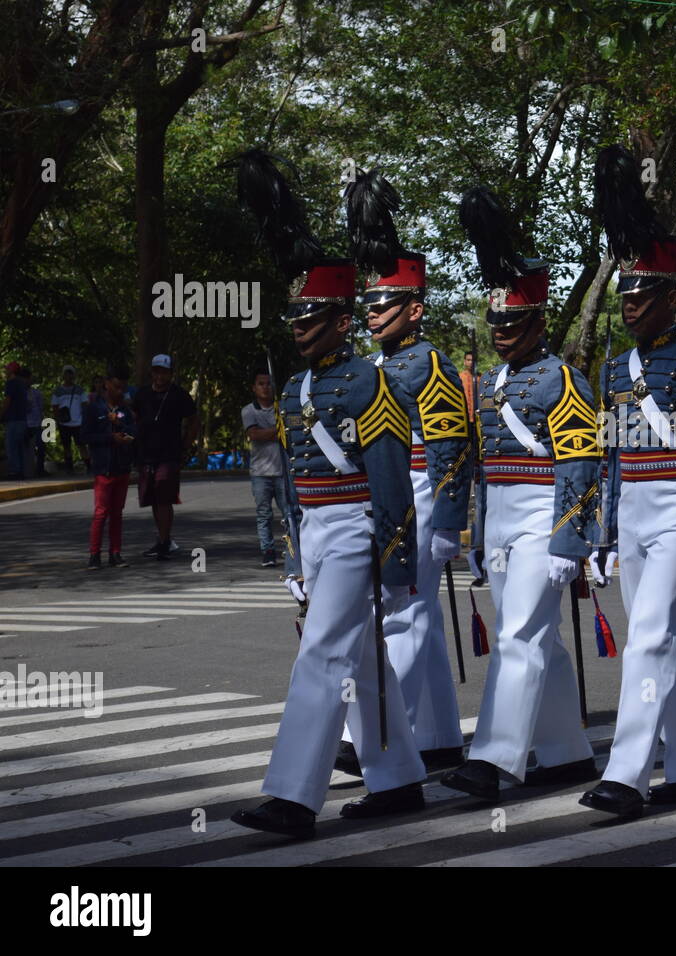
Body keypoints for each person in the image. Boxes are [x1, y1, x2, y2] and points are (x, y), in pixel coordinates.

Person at [228, 149, 425, 837]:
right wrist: (291, 559)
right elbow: (289, 485)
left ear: (343, 319)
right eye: (294, 315)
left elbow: (392, 478)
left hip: (357, 527)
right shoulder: (291, 388)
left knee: (323, 652)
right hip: (316, 529)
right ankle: (398, 778)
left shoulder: (369, 383)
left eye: (312, 315)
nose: (298, 324)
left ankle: (292, 795)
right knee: (363, 657)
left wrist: (396, 563)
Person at [576, 145, 676, 821]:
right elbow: (611, 461)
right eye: (626, 295)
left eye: (643, 295)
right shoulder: (614, 371)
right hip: (635, 511)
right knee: (670, 639)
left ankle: (628, 772)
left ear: (672, 296)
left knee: (648, 637)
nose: (631, 306)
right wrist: (604, 534)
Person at [440, 185, 599, 803]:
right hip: (501, 518)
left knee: (518, 637)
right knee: (535, 635)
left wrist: (571, 536)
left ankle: (496, 757)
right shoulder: (492, 383)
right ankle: (565, 752)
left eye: (514, 321)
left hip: (541, 518)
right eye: (496, 321)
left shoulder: (562, 377)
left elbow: (581, 462)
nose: (502, 331)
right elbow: (483, 466)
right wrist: (478, 535)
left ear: (538, 322)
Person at [333, 169, 469, 778]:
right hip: (384, 492)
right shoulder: (370, 364)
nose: (371, 313)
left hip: (417, 491)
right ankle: (438, 736)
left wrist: (447, 519)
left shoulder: (427, 362)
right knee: (417, 616)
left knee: (402, 610)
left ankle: (388, 735)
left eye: (384, 303)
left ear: (414, 309)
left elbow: (450, 446)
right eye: (367, 303)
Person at [132, 354, 198, 559]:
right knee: (152, 497)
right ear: (152, 372)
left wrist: (186, 446)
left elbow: (194, 421)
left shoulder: (179, 395)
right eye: (157, 371)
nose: (160, 376)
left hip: (169, 454)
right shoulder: (142, 394)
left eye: (165, 372)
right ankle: (163, 539)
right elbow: (134, 418)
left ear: (171, 374)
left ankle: (164, 541)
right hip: (146, 454)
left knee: (164, 497)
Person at [83, 365, 135, 569]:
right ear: (106, 384)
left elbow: (134, 431)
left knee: (117, 513)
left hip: (122, 467)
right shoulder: (93, 409)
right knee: (101, 513)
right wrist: (109, 437)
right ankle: (94, 555)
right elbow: (85, 436)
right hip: (103, 469)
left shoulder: (125, 411)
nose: (120, 392)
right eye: (116, 387)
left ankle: (115, 553)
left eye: (123, 388)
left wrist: (123, 431)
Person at [242, 370, 292, 566]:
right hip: (260, 472)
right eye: (261, 384)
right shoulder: (249, 410)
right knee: (264, 514)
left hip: (282, 471)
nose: (265, 387)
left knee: (288, 513)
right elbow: (255, 435)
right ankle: (268, 550)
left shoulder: (282, 408)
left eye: (268, 383)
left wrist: (277, 431)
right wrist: (280, 429)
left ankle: (292, 548)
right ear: (254, 388)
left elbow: (291, 431)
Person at [51, 366, 88, 474]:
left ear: (73, 375)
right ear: (63, 375)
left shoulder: (79, 390)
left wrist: (84, 419)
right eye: (66, 373)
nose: (68, 376)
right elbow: (55, 406)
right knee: (66, 446)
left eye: (70, 373)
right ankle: (69, 467)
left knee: (82, 445)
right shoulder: (58, 391)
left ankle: (88, 465)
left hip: (78, 422)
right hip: (64, 423)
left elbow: (85, 404)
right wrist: (58, 420)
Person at [2, 361, 28, 479]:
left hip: (13, 419)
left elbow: (8, 401)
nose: (5, 371)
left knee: (11, 446)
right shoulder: (22, 383)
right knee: (19, 446)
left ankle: (14, 471)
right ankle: (21, 471)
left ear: (11, 370)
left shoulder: (11, 383)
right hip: (22, 419)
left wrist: (1, 414)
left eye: (7, 369)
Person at [22, 367, 44, 477]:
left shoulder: (36, 393)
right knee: (26, 448)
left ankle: (40, 469)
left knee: (41, 446)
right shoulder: (20, 393)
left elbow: (40, 408)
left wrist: (41, 421)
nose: (28, 381)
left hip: (37, 423)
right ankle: (26, 471)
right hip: (25, 424)